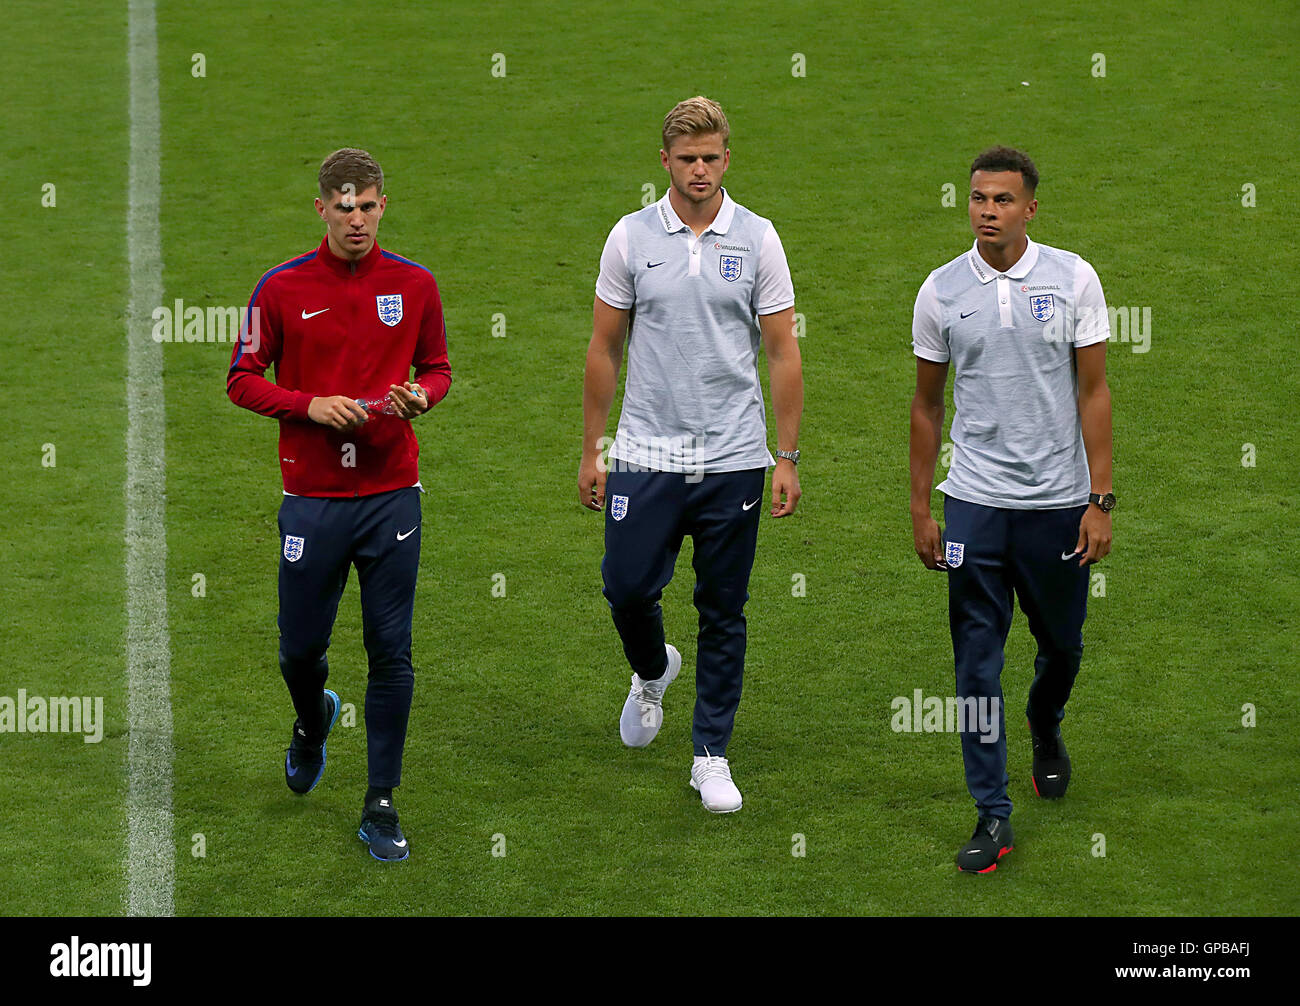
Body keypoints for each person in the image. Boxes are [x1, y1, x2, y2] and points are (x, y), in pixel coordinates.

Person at [579, 96, 804, 813]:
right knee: (625, 587)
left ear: (727, 159)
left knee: (723, 609)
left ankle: (711, 755)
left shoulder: (760, 239)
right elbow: (604, 347)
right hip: (645, 452)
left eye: (711, 157)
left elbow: (782, 351)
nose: (700, 170)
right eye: (686, 159)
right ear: (666, 162)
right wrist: (593, 447)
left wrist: (787, 454)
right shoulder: (630, 237)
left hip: (734, 456)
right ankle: (652, 671)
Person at [227, 148, 451, 861]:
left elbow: (437, 368)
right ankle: (311, 717)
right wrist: (309, 405)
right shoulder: (280, 287)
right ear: (321, 208)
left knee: (392, 653)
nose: (357, 219)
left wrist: (424, 397)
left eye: (369, 205)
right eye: (343, 206)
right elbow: (241, 378)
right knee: (300, 651)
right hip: (314, 497)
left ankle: (381, 801)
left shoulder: (414, 285)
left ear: (384, 205)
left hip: (391, 496)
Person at [909, 146, 1114, 872]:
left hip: (1058, 506)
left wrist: (1099, 500)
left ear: (1030, 207)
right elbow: (928, 405)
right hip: (975, 507)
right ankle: (992, 813)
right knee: (974, 668)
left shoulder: (1073, 278)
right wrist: (922, 507)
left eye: (1001, 200)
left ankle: (1045, 721)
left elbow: (1093, 392)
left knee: (1062, 647)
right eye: (977, 198)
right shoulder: (940, 291)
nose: (987, 211)